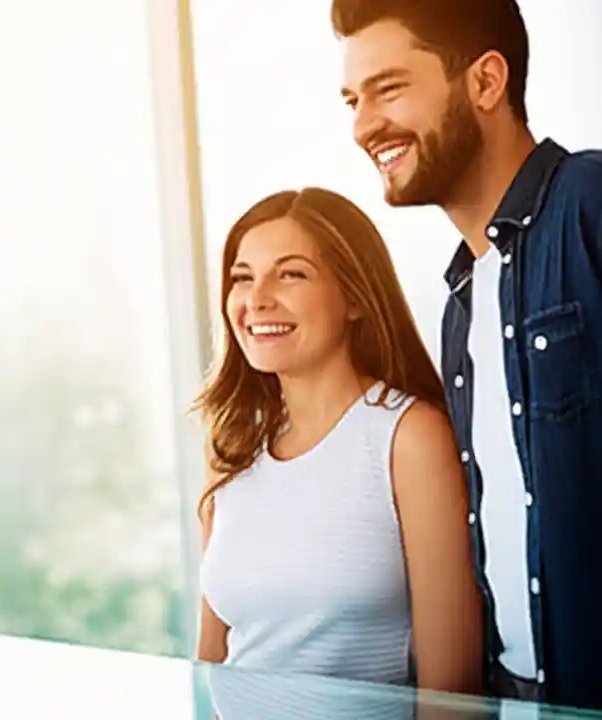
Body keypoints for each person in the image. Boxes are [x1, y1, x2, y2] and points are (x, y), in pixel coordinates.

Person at [334, 0, 602, 712]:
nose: (362, 126)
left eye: (389, 89)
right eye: (352, 100)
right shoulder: (462, 306)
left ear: (485, 81)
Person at [193, 188, 482, 697]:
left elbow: (451, 690)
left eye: (291, 274)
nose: (257, 298)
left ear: (354, 297)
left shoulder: (409, 438)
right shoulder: (232, 442)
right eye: (243, 277)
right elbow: (211, 660)